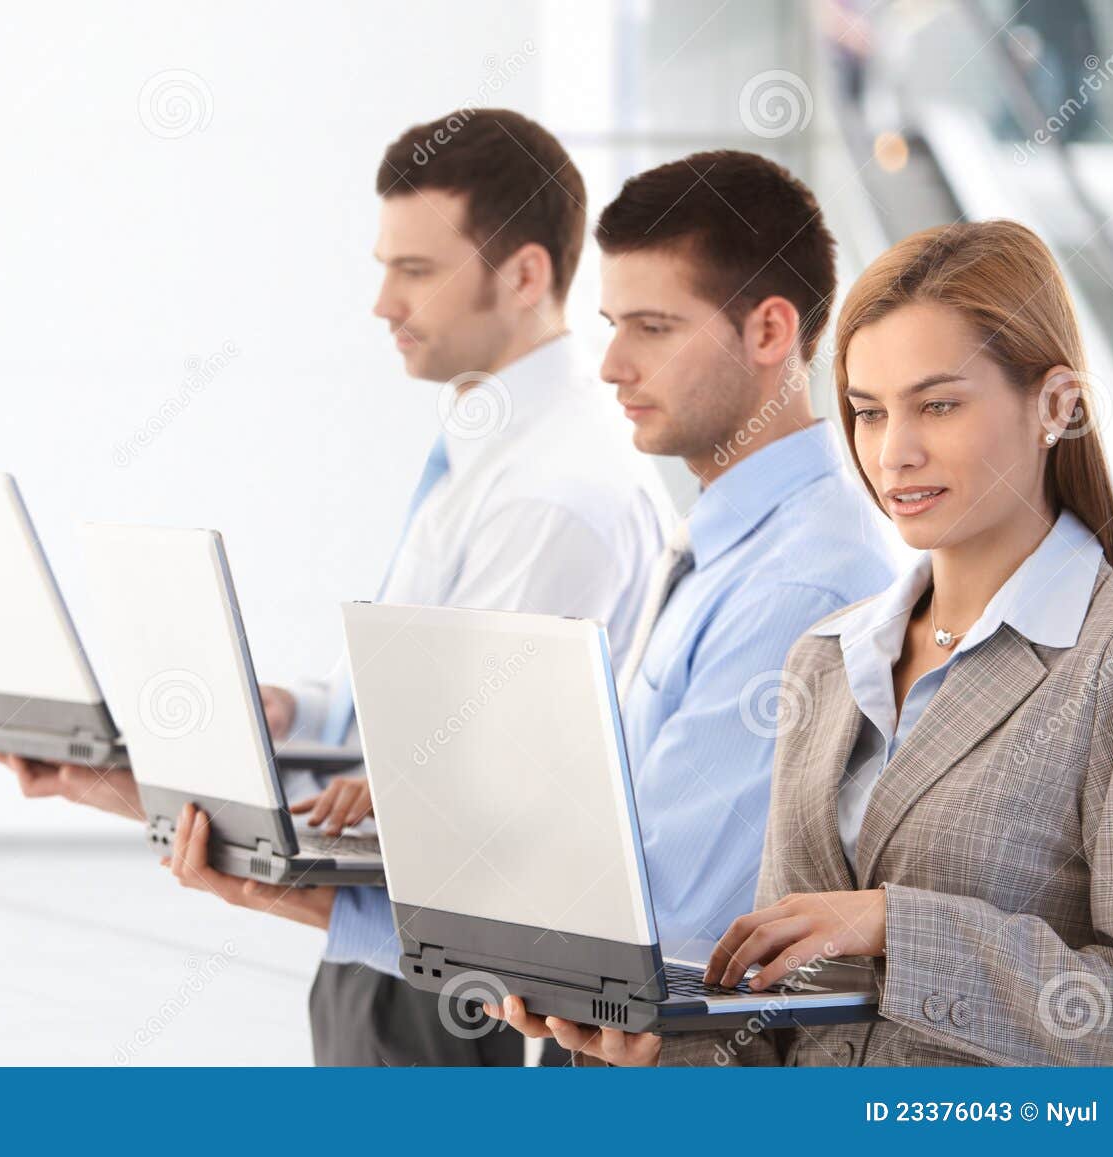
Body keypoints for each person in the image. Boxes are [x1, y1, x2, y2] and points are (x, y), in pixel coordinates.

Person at [172, 150, 899, 1055]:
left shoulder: (802, 584)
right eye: (611, 324)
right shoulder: (724, 541)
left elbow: (647, 916)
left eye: (653, 327)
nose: (612, 365)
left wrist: (295, 884)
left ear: (768, 332)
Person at [0, 108, 671, 1066]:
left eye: (417, 269)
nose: (383, 303)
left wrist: (142, 792)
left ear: (524, 274)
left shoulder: (559, 494)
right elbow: (422, 737)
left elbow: (470, 801)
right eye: (385, 265)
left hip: (461, 999)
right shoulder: (490, 455)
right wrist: (298, 714)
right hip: (402, 977)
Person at [497, 219, 1113, 1066]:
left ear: (1057, 404)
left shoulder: (1108, 661)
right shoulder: (829, 657)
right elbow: (781, 1025)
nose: (893, 452)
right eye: (869, 412)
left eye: (938, 404)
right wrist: (659, 1051)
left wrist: (894, 925)